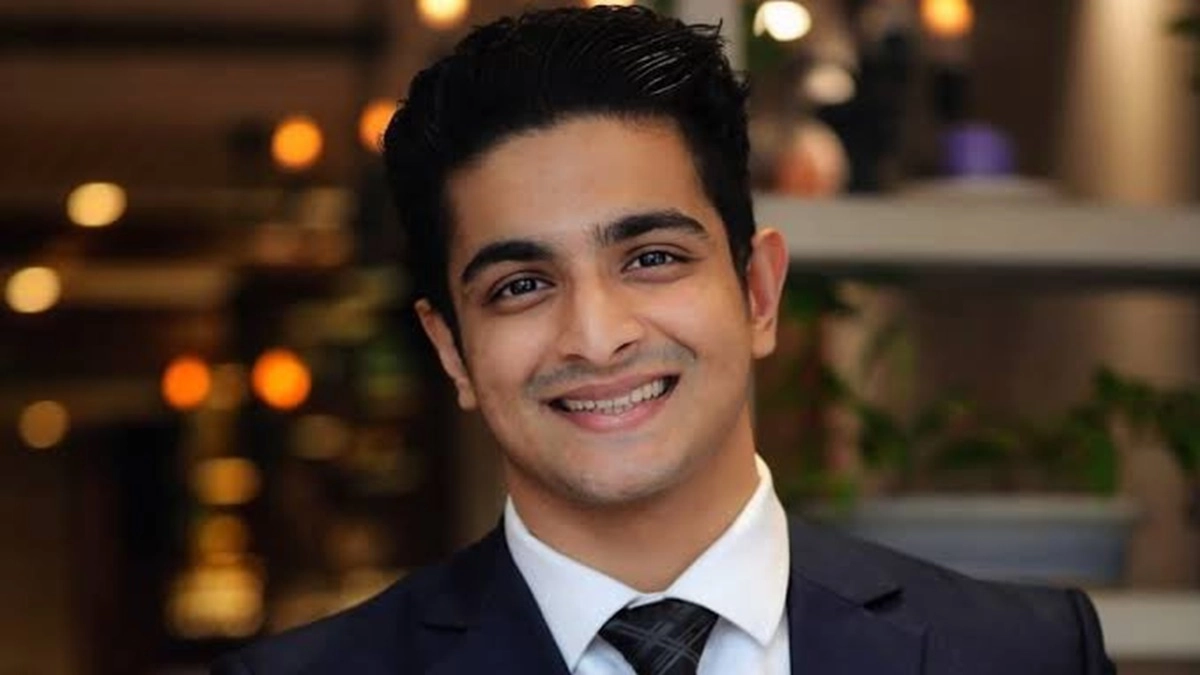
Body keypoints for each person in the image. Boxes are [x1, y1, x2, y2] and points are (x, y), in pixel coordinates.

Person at [213, 6, 1114, 674]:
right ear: (451, 349)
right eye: (521, 285)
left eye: (650, 258)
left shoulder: (1021, 654)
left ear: (758, 292)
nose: (597, 335)